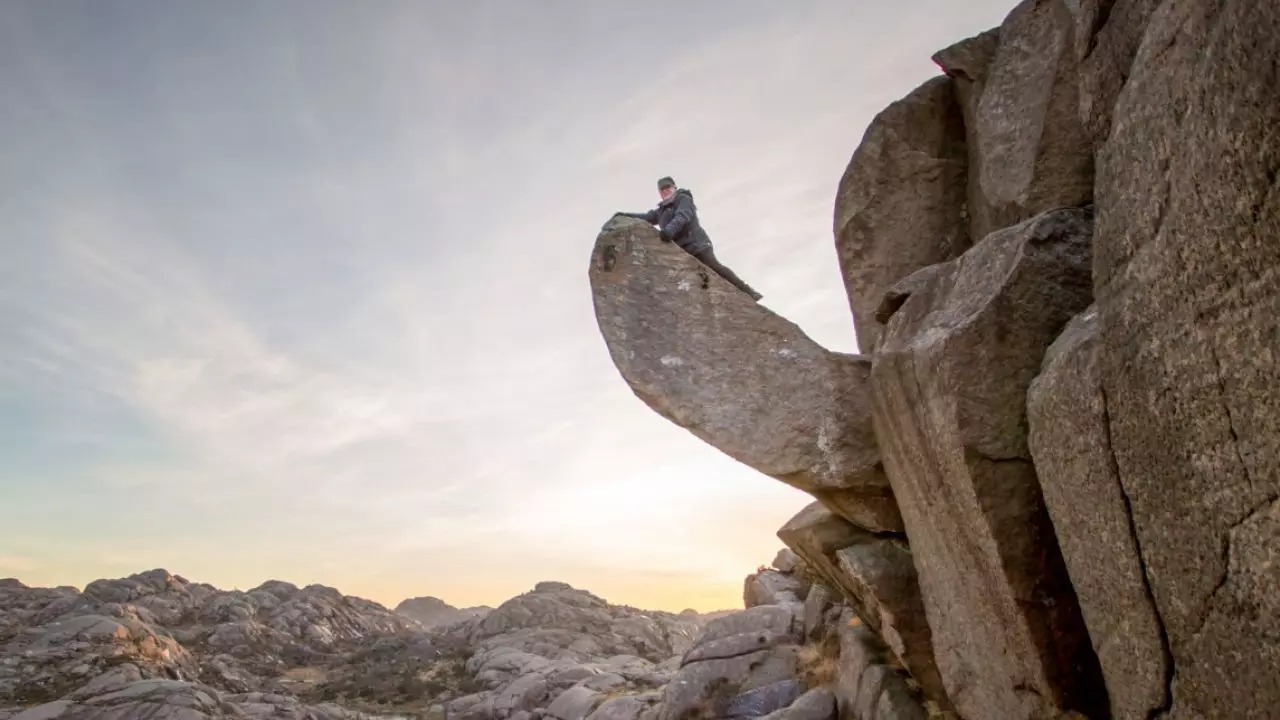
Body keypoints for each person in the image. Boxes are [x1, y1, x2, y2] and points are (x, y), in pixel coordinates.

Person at [617, 176, 763, 301]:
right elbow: (646, 218)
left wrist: (669, 231)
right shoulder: (660, 211)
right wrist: (624, 215)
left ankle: (748, 292)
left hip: (698, 245)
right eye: (662, 190)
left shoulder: (683, 199)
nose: (665, 191)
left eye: (668, 187)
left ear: (674, 187)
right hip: (682, 252)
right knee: (693, 281)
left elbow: (683, 216)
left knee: (714, 267)